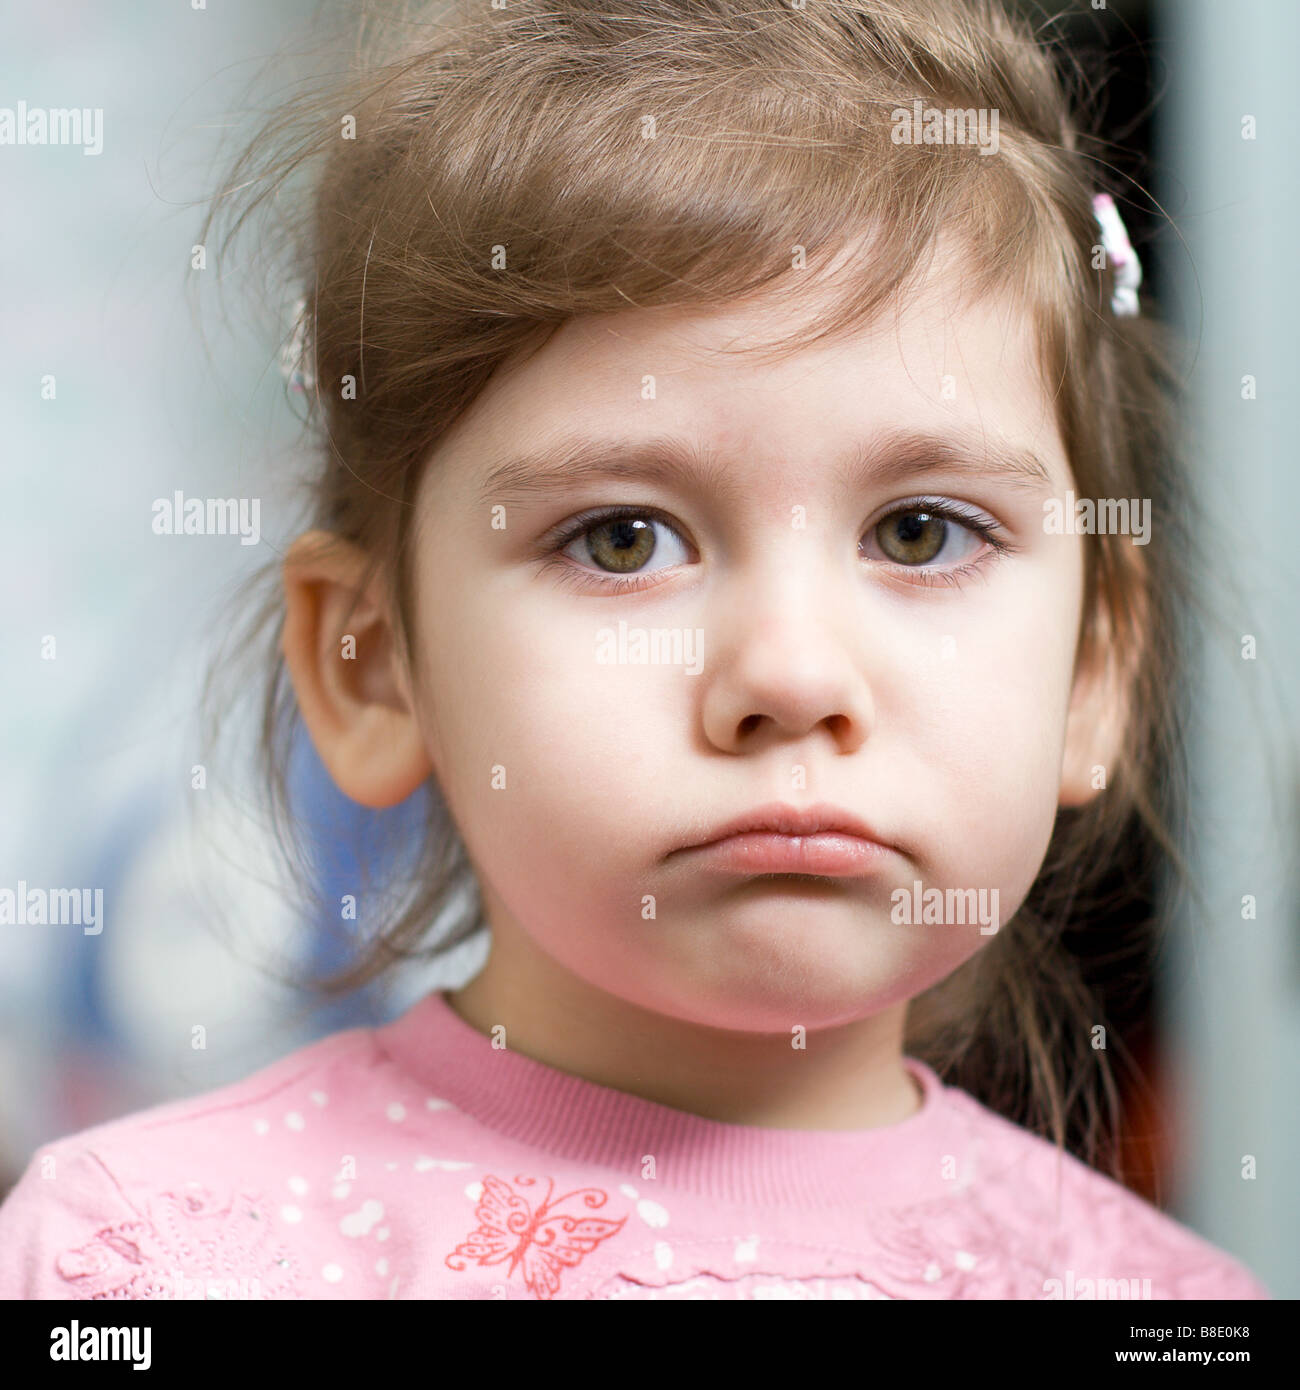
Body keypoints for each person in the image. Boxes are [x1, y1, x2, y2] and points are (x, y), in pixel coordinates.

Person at [0, 0, 1270, 1300]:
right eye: (622, 539)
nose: (787, 676)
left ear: (1094, 668)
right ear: (375, 665)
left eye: (921, 529)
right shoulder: (135, 1258)